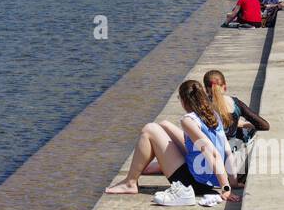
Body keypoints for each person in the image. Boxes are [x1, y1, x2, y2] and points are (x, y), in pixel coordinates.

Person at [103, 79, 240, 201]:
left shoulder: (188, 120)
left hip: (193, 183)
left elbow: (212, 152)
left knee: (149, 129)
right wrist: (232, 181)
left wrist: (226, 188)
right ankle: (146, 166)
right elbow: (226, 148)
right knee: (164, 125)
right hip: (208, 176)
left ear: (184, 101)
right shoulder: (213, 114)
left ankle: (130, 183)